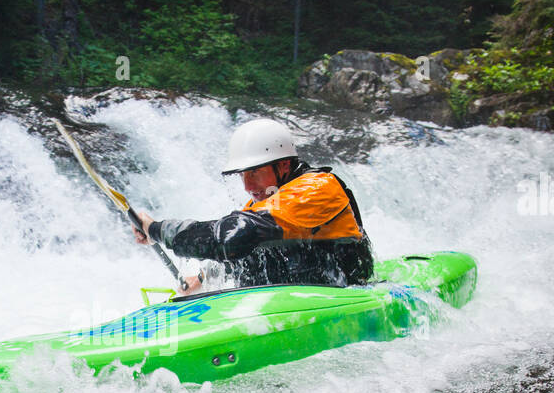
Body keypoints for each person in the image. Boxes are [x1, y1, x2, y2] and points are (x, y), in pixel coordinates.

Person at [132, 119, 374, 292]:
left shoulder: (317, 189)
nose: (248, 186)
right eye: (243, 176)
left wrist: (158, 230)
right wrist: (202, 278)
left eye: (255, 173)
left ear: (284, 166)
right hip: (296, 296)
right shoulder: (265, 204)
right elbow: (244, 251)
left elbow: (232, 237)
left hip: (344, 292)